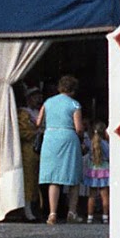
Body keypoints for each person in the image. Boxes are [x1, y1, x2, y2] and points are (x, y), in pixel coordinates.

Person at [37, 74, 86, 224]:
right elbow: (78, 128)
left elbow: (39, 122)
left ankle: (52, 214)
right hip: (68, 138)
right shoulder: (74, 105)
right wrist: (82, 140)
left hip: (51, 138)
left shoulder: (48, 102)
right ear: (73, 90)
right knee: (73, 177)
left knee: (54, 178)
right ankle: (72, 212)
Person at [17, 88, 44, 221]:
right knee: (28, 180)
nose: (38, 99)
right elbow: (22, 132)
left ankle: (36, 208)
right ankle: (27, 210)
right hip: (28, 150)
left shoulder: (39, 112)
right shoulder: (23, 113)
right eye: (35, 97)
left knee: (36, 181)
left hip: (39, 150)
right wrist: (36, 133)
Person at [84, 119, 111, 223]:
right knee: (105, 195)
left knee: (92, 195)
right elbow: (109, 156)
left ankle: (89, 217)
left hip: (93, 171)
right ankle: (105, 217)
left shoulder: (90, 143)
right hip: (104, 170)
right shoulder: (106, 144)